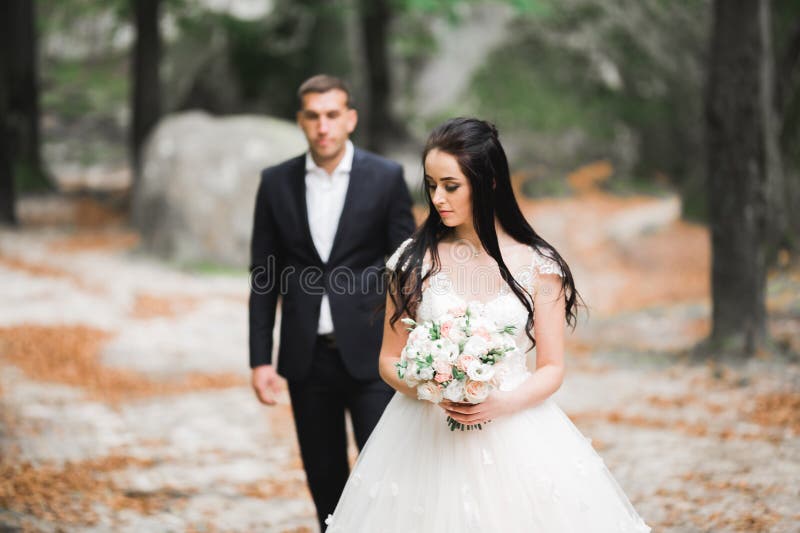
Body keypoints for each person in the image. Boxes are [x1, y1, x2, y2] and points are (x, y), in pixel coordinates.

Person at [323, 118, 651, 532]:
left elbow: (551, 368)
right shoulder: (411, 261)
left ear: (488, 183)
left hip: (515, 427)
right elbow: (389, 360)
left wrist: (499, 404)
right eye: (431, 185)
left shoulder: (539, 264)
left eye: (451, 186)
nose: (437, 198)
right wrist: (429, 387)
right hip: (423, 433)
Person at [248, 74, 415, 532]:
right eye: (313, 116)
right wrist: (260, 359)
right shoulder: (275, 182)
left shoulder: (386, 177)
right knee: (325, 484)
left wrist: (411, 347)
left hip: (374, 355)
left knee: (384, 475)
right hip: (307, 359)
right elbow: (263, 277)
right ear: (300, 121)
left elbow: (407, 269)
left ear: (350, 119)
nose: (323, 126)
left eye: (332, 115)